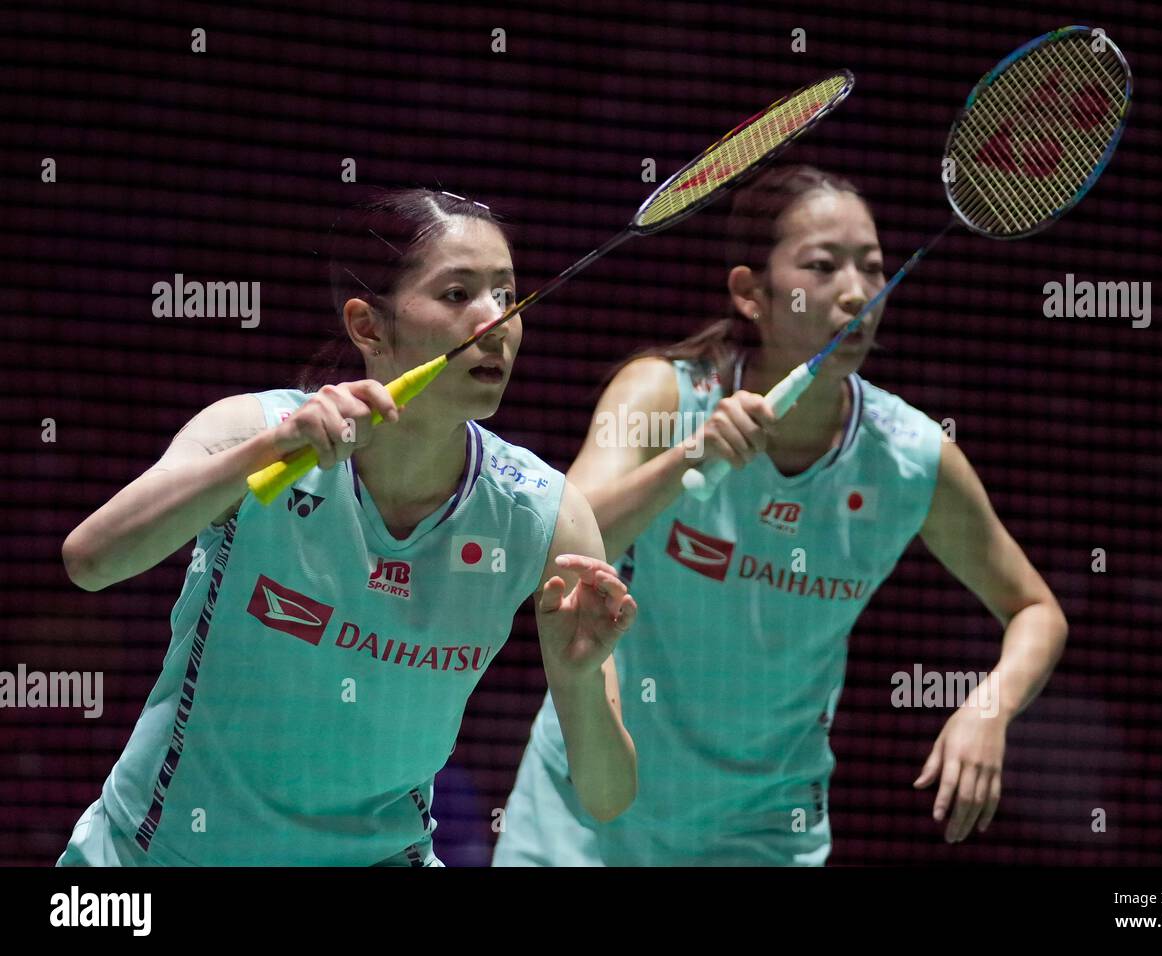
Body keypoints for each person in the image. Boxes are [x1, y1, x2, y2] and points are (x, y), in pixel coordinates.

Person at [493, 165, 1069, 866]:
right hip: (584, 814)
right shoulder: (663, 397)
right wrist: (687, 461)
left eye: (873, 269)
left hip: (763, 830)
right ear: (751, 293)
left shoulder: (910, 457)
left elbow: (1035, 607)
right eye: (822, 267)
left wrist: (990, 708)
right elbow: (562, 546)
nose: (857, 292)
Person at [57, 188, 637, 866]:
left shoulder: (543, 513)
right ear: (368, 327)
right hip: (162, 856)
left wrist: (576, 681)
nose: (495, 323)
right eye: (458, 295)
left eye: (506, 297)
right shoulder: (255, 432)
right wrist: (262, 456)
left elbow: (607, 796)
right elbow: (91, 561)